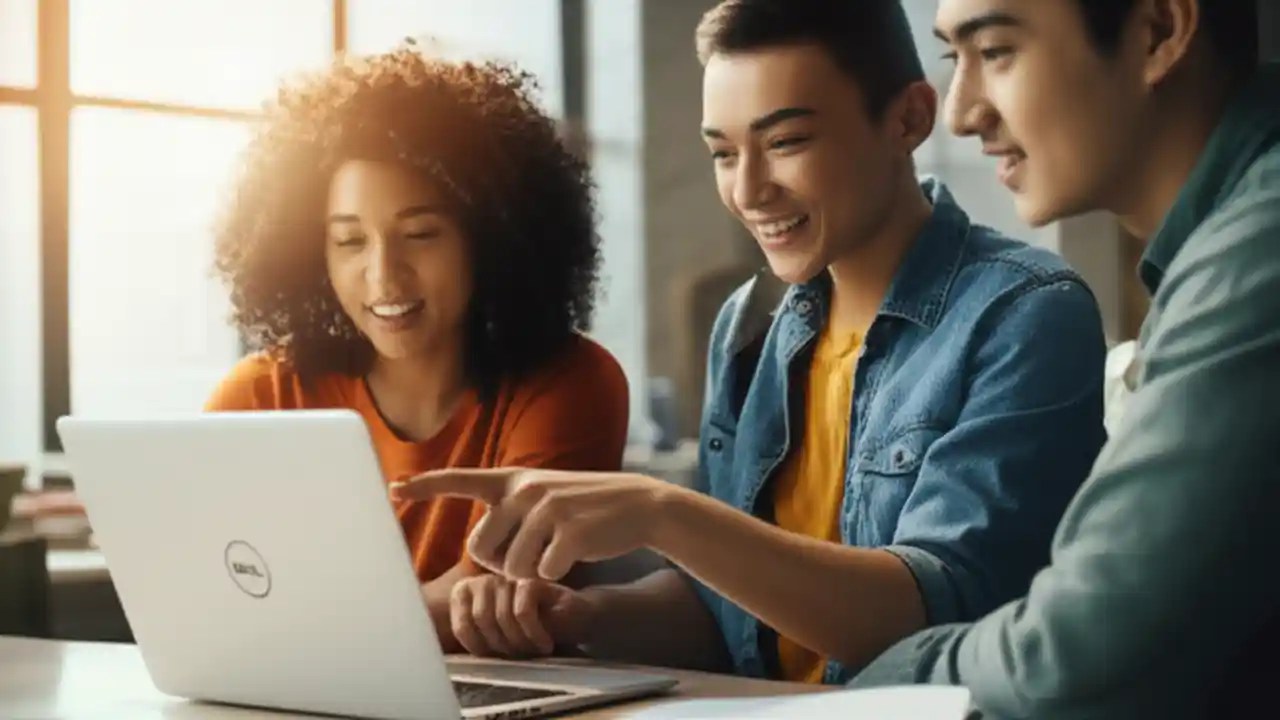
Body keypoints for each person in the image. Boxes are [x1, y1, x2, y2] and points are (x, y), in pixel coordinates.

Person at [393, 0, 1108, 685]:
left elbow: (927, 617)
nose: (749, 189)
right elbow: (732, 620)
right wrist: (577, 619)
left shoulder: (1025, 313)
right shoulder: (750, 324)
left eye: (786, 142)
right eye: (723, 154)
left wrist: (662, 512)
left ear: (909, 119)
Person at [846, 1, 1280, 718]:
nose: (960, 114)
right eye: (957, 59)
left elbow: (1072, 664)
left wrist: (854, 692)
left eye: (997, 51)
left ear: (1158, 33)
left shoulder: (1256, 255)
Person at [204, 48, 629, 654]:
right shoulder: (260, 394)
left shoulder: (570, 382)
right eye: (349, 241)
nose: (384, 276)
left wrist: (290, 624)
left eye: (420, 235)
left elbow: (491, 596)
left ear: (490, 236)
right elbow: (204, 597)